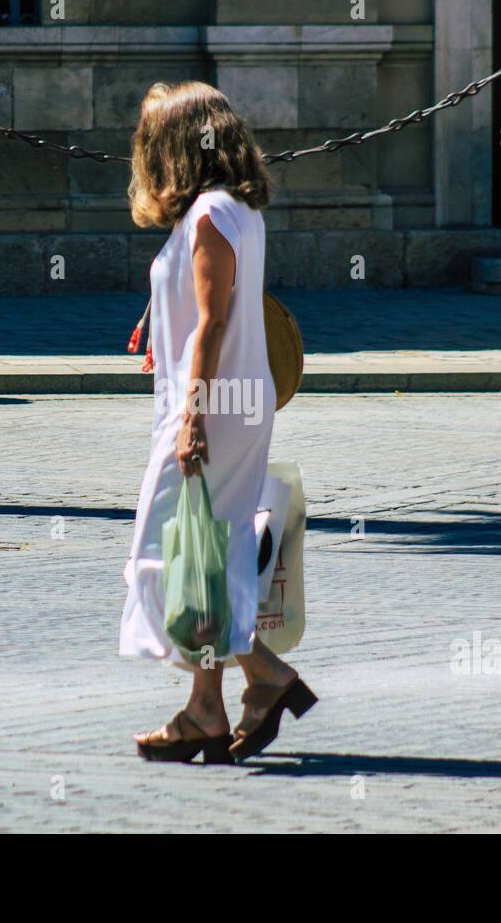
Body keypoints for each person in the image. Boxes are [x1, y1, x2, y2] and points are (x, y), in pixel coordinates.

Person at [120, 82, 317, 765]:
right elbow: (206, 307)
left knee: (171, 543)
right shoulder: (236, 212)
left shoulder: (208, 215)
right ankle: (226, 696)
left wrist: (192, 418)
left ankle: (247, 685)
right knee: (202, 547)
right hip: (233, 398)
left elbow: (214, 321)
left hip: (212, 406)